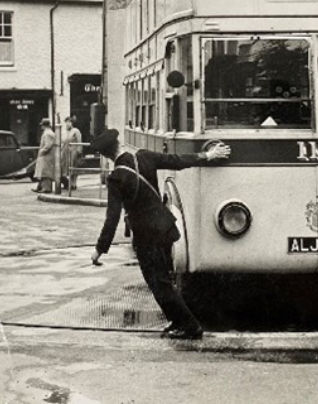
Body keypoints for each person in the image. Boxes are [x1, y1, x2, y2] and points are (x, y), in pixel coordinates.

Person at [89, 128, 231, 340]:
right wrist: (207, 156)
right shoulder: (144, 156)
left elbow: (112, 218)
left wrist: (100, 250)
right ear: (119, 144)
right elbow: (177, 160)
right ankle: (176, 320)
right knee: (161, 280)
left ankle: (190, 326)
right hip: (165, 228)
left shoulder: (116, 178)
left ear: (106, 155)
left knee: (159, 282)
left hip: (146, 235)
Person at [60, 116, 82, 190]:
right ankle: (69, 183)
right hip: (66, 152)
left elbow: (79, 141)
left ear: (71, 123)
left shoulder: (76, 131)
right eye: (66, 122)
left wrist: (79, 151)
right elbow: (63, 142)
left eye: (69, 122)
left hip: (74, 151)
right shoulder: (65, 132)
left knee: (74, 167)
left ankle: (74, 184)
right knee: (66, 168)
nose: (67, 124)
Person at [34, 118, 57, 193]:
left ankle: (46, 188)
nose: (41, 127)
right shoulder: (48, 132)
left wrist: (42, 151)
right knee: (42, 172)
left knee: (45, 172)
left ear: (44, 125)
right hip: (47, 156)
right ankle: (40, 186)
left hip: (47, 156)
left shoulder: (47, 133)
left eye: (42, 125)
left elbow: (48, 145)